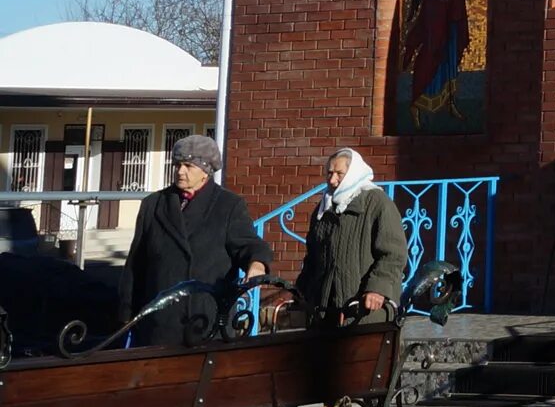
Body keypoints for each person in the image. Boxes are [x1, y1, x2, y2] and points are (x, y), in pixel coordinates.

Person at [127, 135, 266, 353]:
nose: (180, 171)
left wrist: (256, 263)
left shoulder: (228, 205)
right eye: (177, 165)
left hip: (205, 320)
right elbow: (135, 266)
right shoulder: (153, 205)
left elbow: (248, 243)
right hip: (159, 322)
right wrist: (126, 316)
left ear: (206, 171)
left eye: (188, 166)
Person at [290, 149, 408, 329]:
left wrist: (377, 288)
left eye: (339, 174)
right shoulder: (323, 209)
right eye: (329, 173)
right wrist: (300, 291)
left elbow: (393, 254)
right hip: (324, 309)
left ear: (353, 174)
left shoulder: (376, 203)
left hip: (362, 310)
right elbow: (313, 257)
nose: (332, 180)